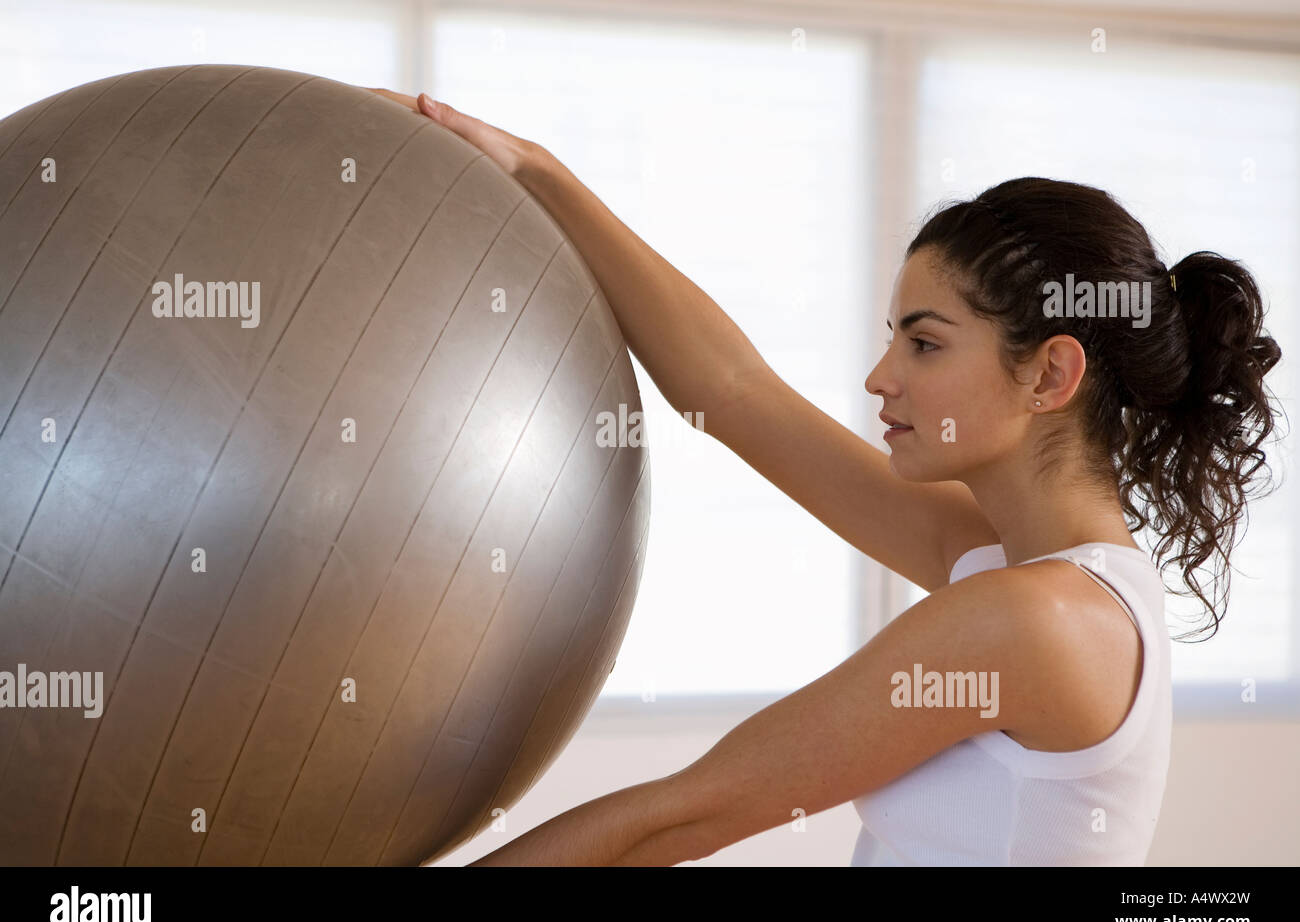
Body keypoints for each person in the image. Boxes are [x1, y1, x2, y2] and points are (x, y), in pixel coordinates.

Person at [369, 89, 1285, 866]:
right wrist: (537, 172)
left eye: (924, 342)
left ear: (1050, 373)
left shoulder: (1033, 621)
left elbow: (694, 812)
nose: (881, 377)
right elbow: (733, 392)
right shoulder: (1012, 568)